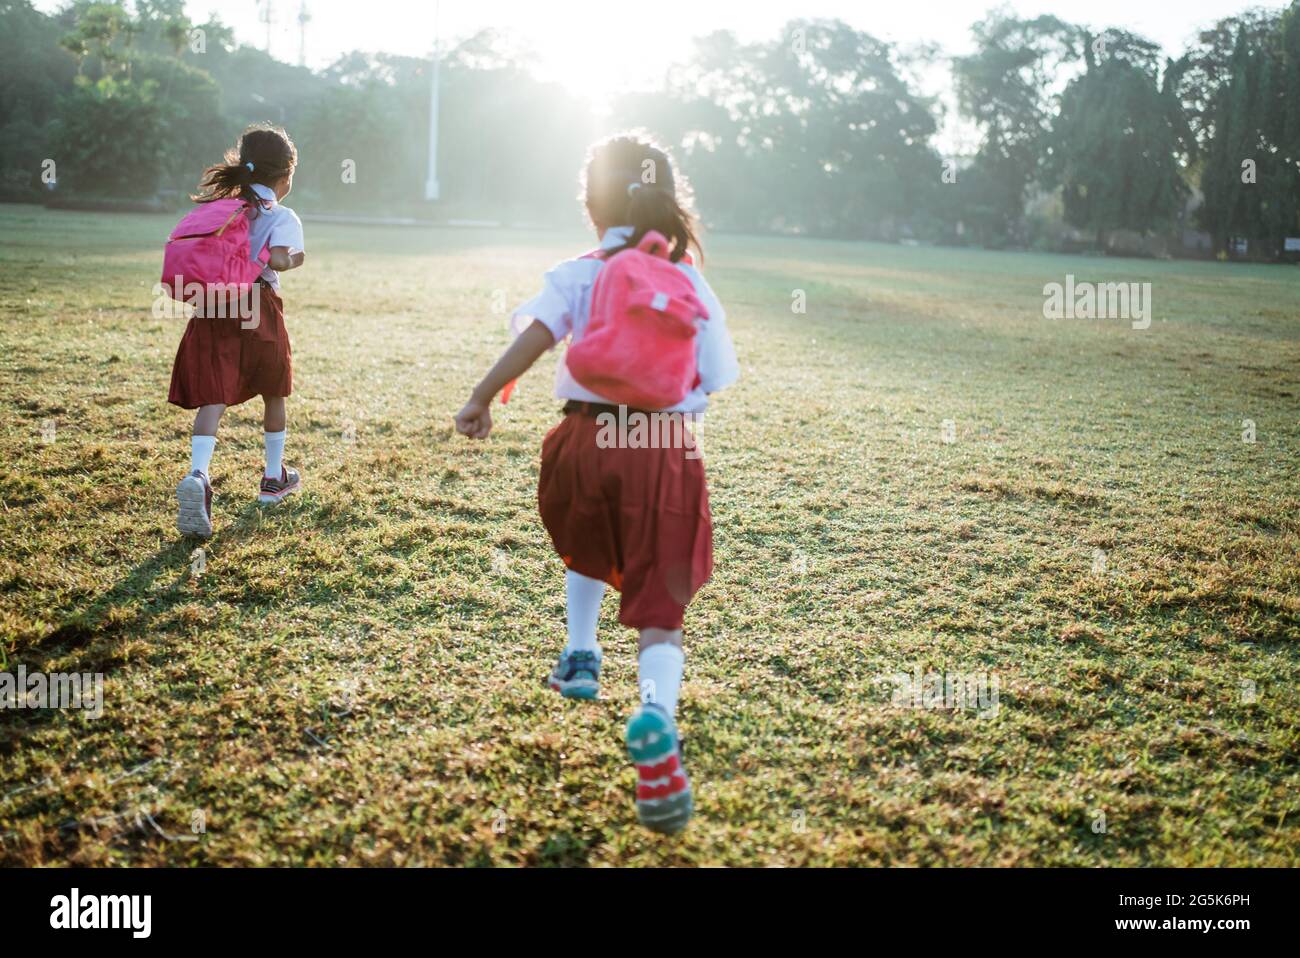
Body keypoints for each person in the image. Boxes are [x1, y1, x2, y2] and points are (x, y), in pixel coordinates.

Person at [454, 134, 740, 833]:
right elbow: (718, 377)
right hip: (664, 447)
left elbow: (533, 339)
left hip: (583, 439)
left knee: (588, 544)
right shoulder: (690, 280)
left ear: (590, 204)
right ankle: (655, 718)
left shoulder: (577, 272)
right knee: (659, 600)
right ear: (671, 201)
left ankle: (580, 654)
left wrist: (481, 398)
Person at [168, 124, 306, 538]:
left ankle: (198, 474)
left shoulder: (225, 209)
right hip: (256, 303)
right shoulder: (281, 215)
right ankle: (272, 477)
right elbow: (279, 260)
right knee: (274, 388)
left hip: (214, 305)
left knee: (215, 393)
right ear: (286, 176)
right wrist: (293, 259)